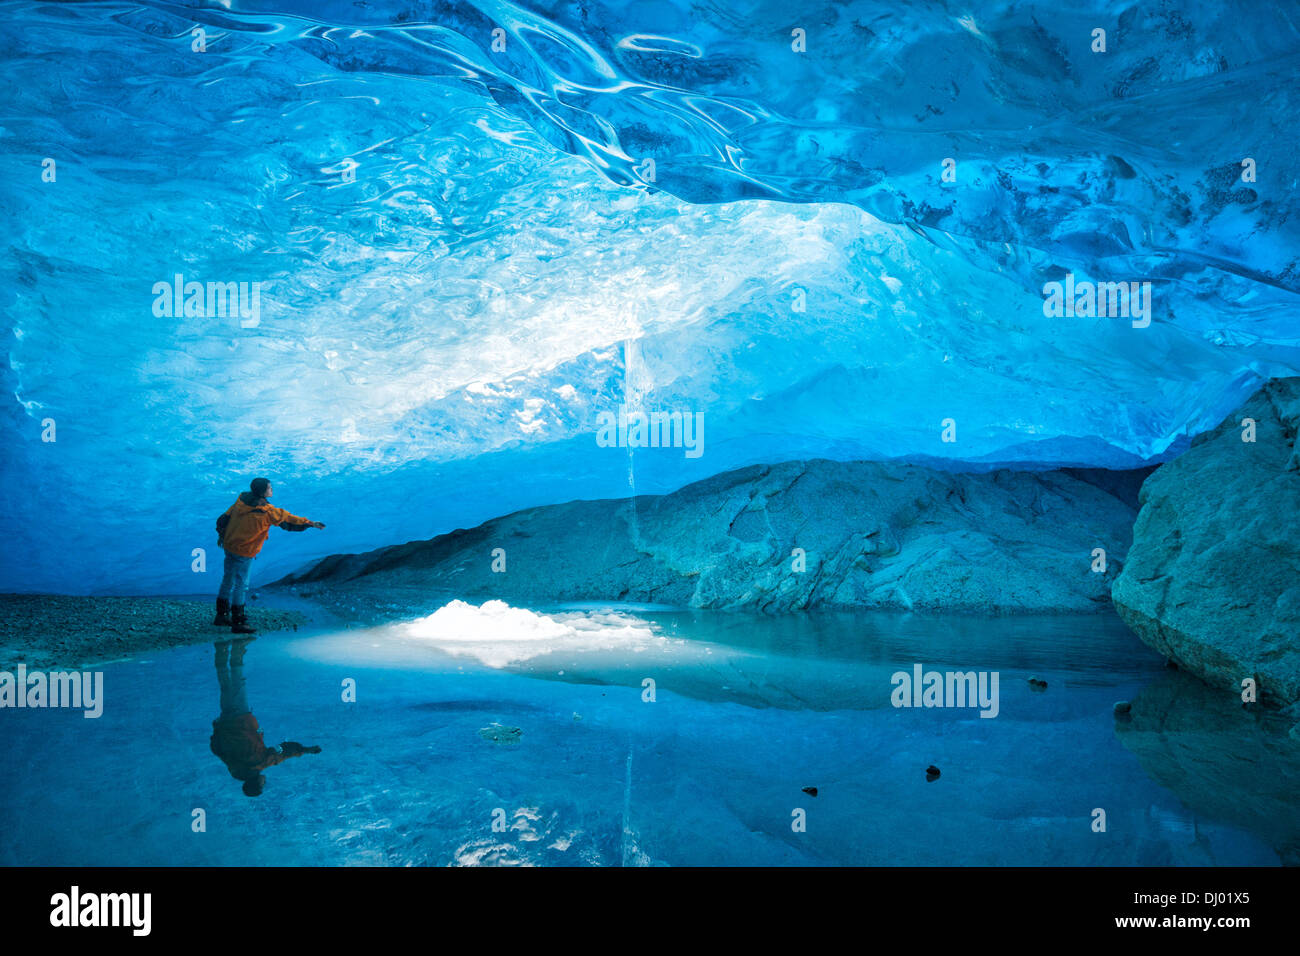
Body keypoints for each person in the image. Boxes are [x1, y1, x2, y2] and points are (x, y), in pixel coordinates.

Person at [210, 638, 321, 797]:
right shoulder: (233, 767)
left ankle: (237, 649)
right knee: (225, 685)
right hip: (225, 720)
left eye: (262, 785)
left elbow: (284, 751)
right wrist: (218, 729)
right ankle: (220, 648)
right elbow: (216, 748)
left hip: (241, 718)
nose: (265, 782)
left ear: (257, 783)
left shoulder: (260, 763)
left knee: (238, 681)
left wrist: (306, 750)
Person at [215, 477, 324, 634]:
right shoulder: (268, 512)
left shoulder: (241, 502)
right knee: (241, 585)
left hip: (230, 546)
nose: (272, 490)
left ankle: (221, 615)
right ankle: (238, 622)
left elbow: (223, 519)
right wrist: (311, 523)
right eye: (269, 488)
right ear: (262, 492)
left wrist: (222, 536)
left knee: (227, 579)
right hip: (245, 552)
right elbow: (289, 519)